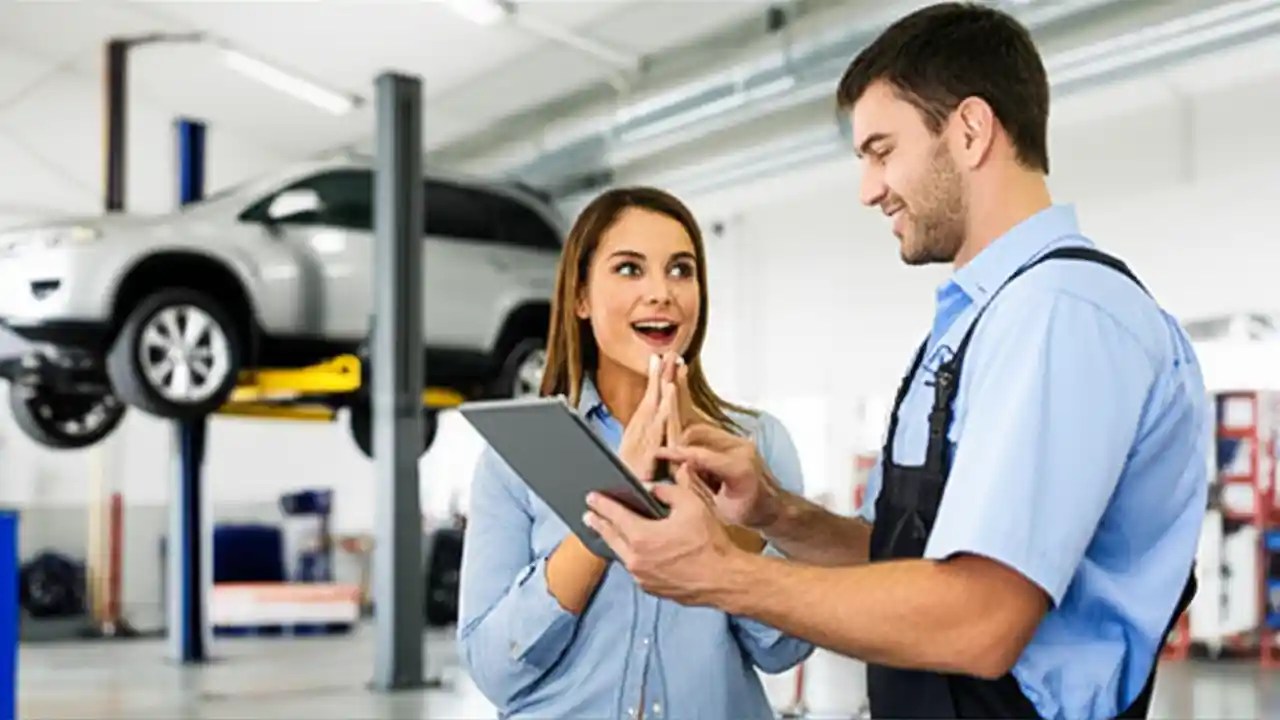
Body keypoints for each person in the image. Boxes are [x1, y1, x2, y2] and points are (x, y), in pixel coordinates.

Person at [582, 4, 1208, 720]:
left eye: (882, 152)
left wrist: (721, 575)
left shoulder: (1064, 316)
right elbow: (905, 559)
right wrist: (777, 512)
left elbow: (983, 621)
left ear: (970, 130)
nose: (868, 189)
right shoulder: (977, 324)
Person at [456, 186, 813, 719]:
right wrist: (612, 500)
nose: (661, 293)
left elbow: (784, 648)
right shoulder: (516, 456)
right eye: (629, 269)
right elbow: (494, 669)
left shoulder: (755, 445)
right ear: (580, 298)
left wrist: (721, 512)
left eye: (680, 270)